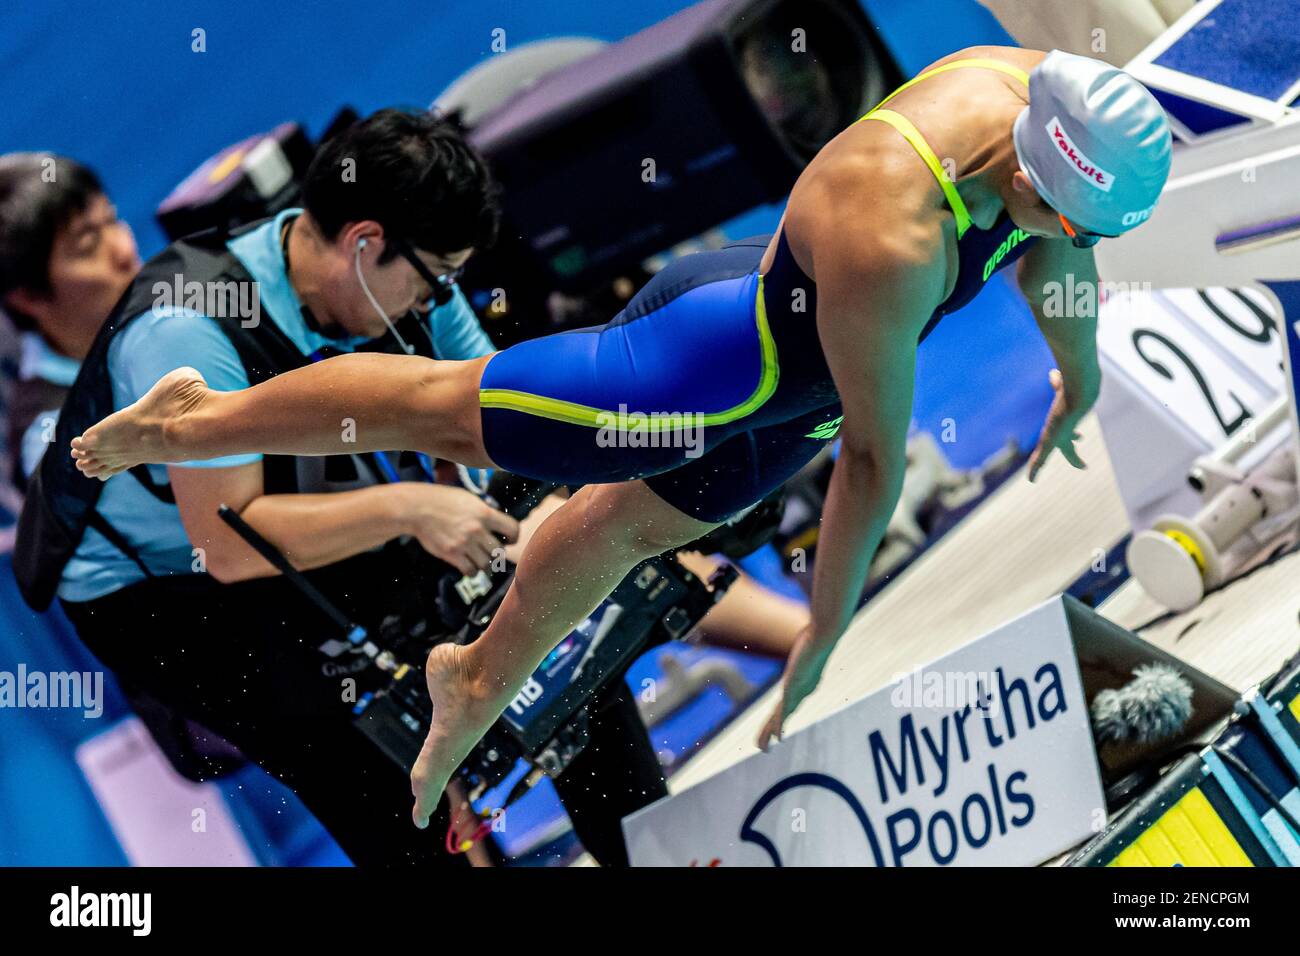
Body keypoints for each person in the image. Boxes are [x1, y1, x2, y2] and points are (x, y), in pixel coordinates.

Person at [69, 47, 1174, 830]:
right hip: (697, 374)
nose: (1077, 242)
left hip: (798, 387)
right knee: (450, 408)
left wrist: (1074, 380)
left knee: (613, 537)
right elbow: (874, 467)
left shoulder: (1046, 99)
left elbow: (1057, 254)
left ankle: (471, 675)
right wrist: (823, 633)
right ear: (1030, 169)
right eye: (1070, 216)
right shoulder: (893, 229)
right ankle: (195, 417)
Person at [16, 110, 804, 866]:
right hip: (173, 591)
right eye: (431, 284)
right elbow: (226, 544)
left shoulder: (412, 271)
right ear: (366, 244)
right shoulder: (186, 331)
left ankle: (652, 852)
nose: (438, 301)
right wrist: (413, 506)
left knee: (543, 638)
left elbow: (501, 439)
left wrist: (551, 537)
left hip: (301, 511)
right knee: (372, 765)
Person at [0, 153, 139, 487]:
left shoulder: (184, 299)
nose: (124, 249)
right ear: (29, 297)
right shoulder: (50, 437)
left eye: (112, 219)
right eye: (89, 244)